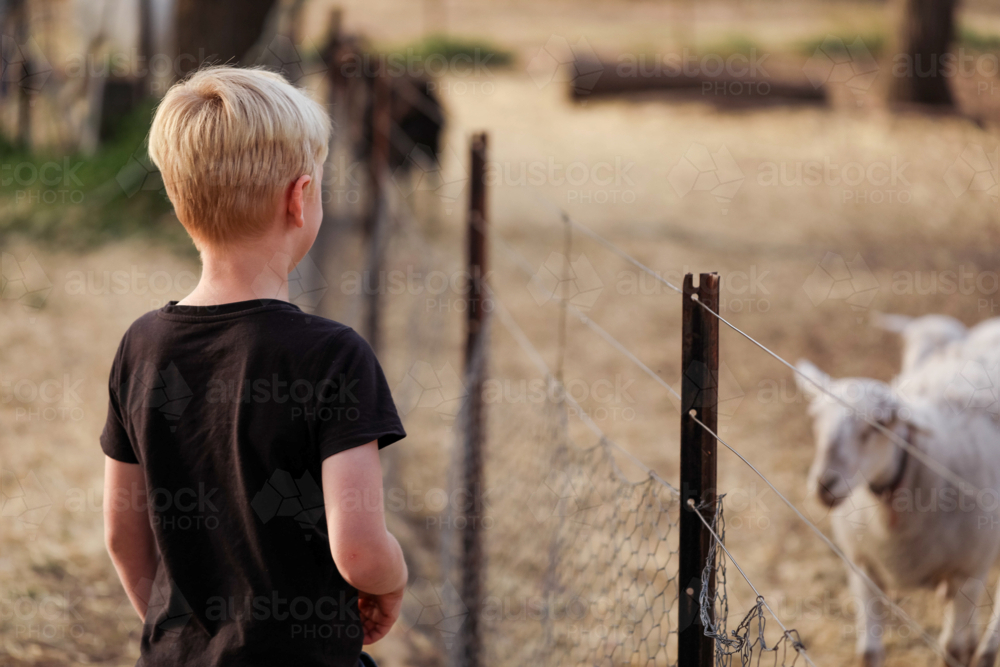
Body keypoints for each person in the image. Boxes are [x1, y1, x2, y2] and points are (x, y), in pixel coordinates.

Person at [100, 65, 407, 667]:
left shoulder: (141, 346)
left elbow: (122, 535)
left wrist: (184, 645)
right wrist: (390, 581)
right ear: (300, 199)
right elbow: (361, 551)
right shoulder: (333, 357)